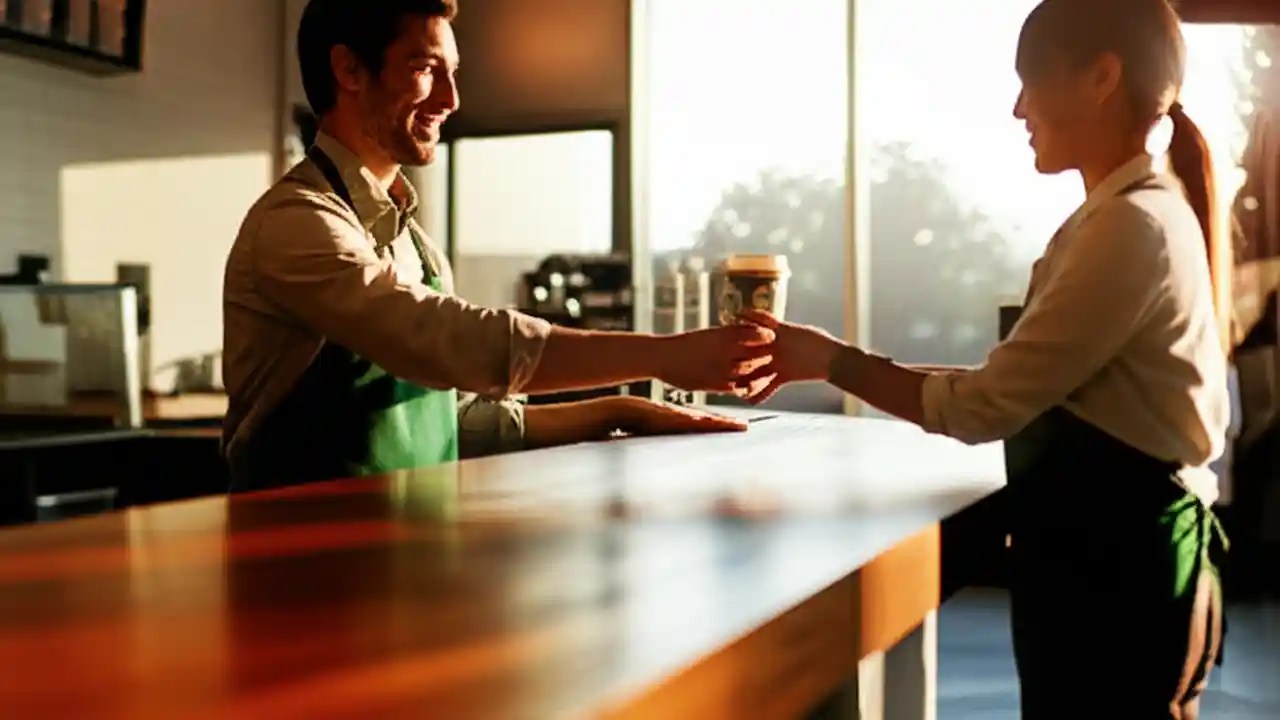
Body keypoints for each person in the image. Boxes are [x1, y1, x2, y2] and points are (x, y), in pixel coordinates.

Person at [743, 0, 1231, 716]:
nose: (1017, 108)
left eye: (1031, 81)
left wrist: (832, 361)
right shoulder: (1135, 215)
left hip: (1118, 581)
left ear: (1101, 78)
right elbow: (1002, 388)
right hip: (1114, 571)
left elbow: (980, 406)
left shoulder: (1130, 229)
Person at [222, 0, 772, 492]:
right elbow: (447, 341)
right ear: (349, 70)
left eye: (453, 73)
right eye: (425, 69)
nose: (451, 98)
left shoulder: (418, 249)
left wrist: (622, 411)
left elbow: (448, 421)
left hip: (410, 571)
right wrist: (667, 355)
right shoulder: (296, 224)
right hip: (300, 575)